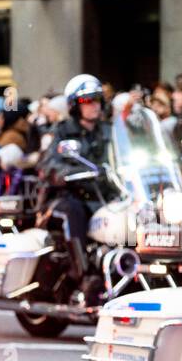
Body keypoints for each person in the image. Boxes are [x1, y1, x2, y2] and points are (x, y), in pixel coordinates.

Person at [36, 73, 112, 295]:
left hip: (102, 194)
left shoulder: (108, 131)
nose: (93, 106)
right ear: (75, 106)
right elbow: (47, 165)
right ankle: (84, 274)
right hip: (66, 196)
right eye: (87, 102)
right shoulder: (61, 131)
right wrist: (70, 173)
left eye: (97, 100)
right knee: (72, 212)